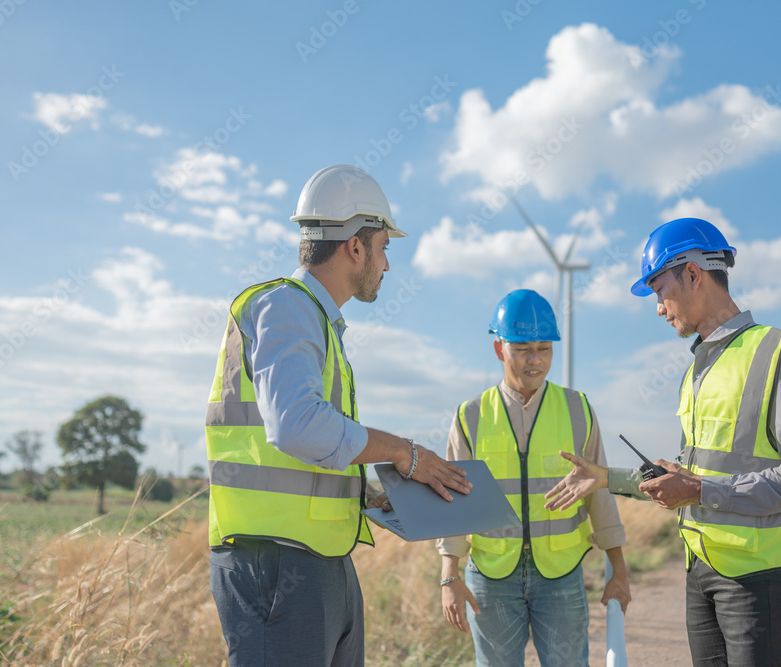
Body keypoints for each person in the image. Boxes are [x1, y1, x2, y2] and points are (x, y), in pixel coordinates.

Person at [205, 164, 472, 667]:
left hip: (315, 562)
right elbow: (296, 425)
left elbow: (310, 447)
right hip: (276, 566)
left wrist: (363, 493)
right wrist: (402, 453)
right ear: (355, 246)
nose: (387, 265)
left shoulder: (316, 322)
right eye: (384, 248)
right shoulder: (287, 307)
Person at [545, 217, 781, 666]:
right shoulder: (696, 372)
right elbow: (689, 476)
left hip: (761, 578)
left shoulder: (775, 351)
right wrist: (606, 478)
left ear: (694, 274)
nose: (659, 307)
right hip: (701, 572)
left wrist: (701, 490)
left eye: (659, 289)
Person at [437, 289, 631, 667]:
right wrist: (449, 575)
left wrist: (619, 570)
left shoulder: (577, 408)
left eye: (544, 349)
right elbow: (454, 500)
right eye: (523, 349)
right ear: (499, 350)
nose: (535, 360)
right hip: (491, 578)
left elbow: (600, 495)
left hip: (560, 574)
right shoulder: (470, 415)